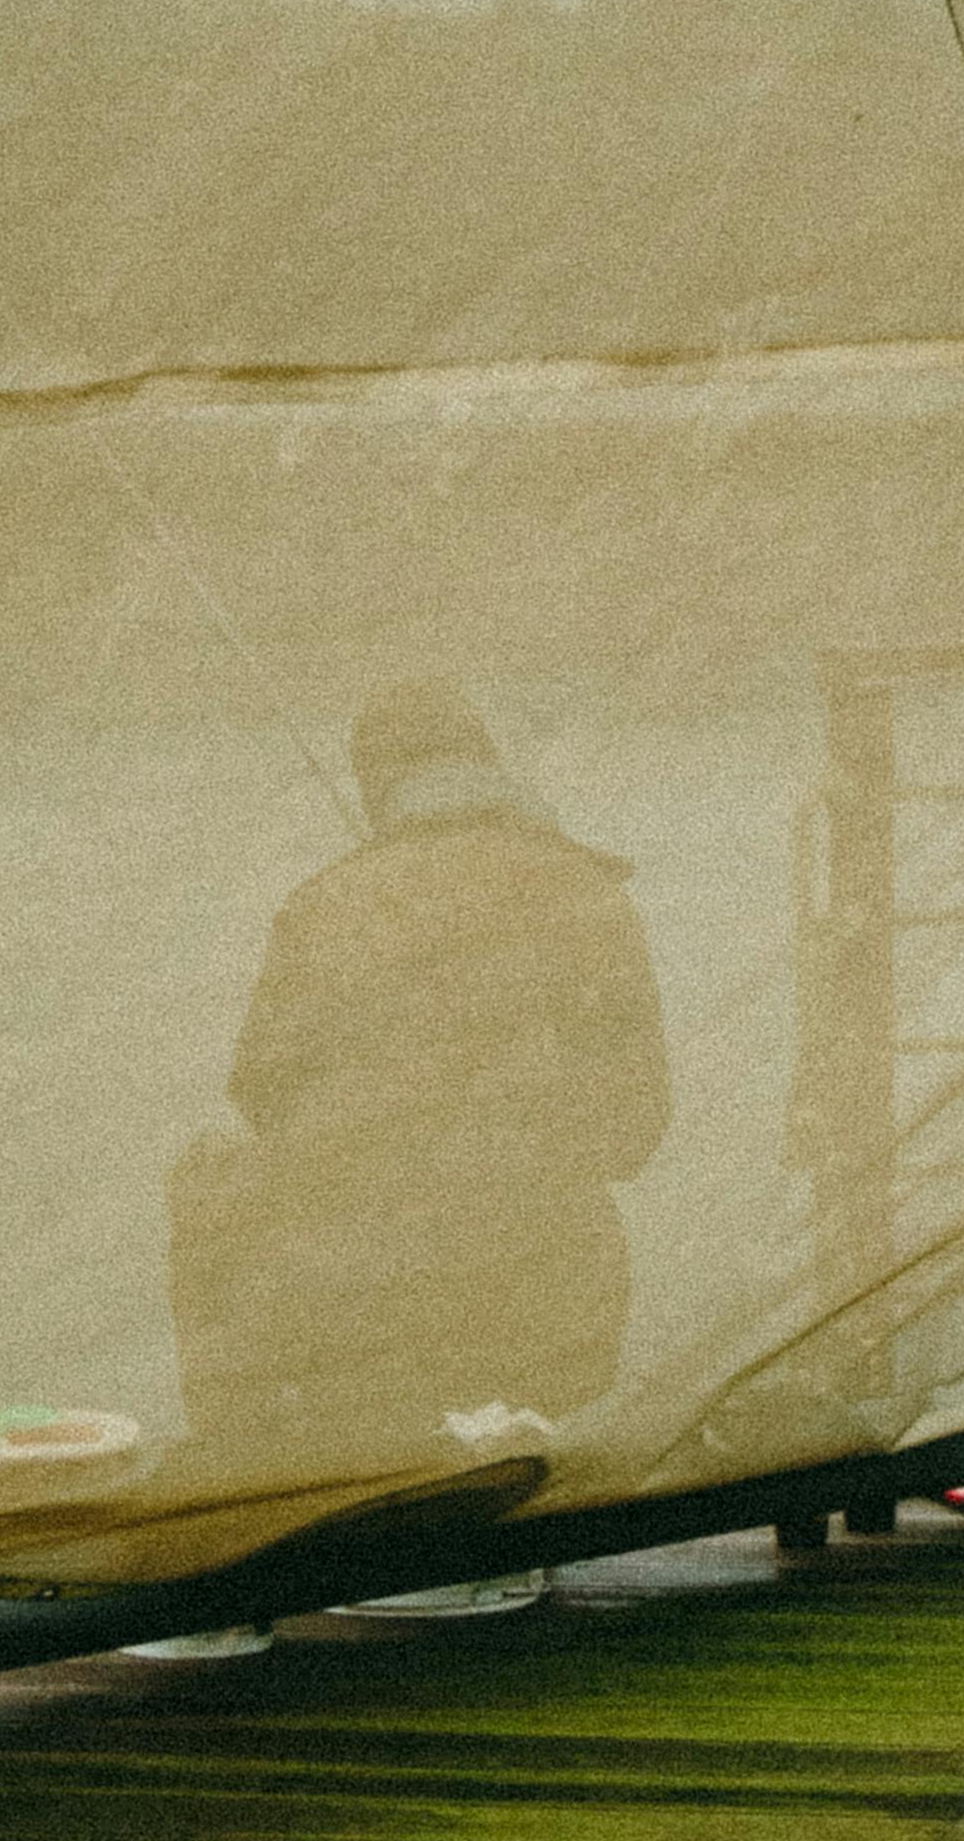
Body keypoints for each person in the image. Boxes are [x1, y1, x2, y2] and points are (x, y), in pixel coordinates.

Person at [136, 683, 670, 1646]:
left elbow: (260, 1091)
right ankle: (498, 1481)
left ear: (376, 786)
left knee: (214, 1180)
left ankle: (261, 1493)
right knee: (544, 1209)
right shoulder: (585, 892)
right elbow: (639, 1126)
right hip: (548, 1311)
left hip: (353, 1301)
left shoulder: (324, 906)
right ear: (490, 766)